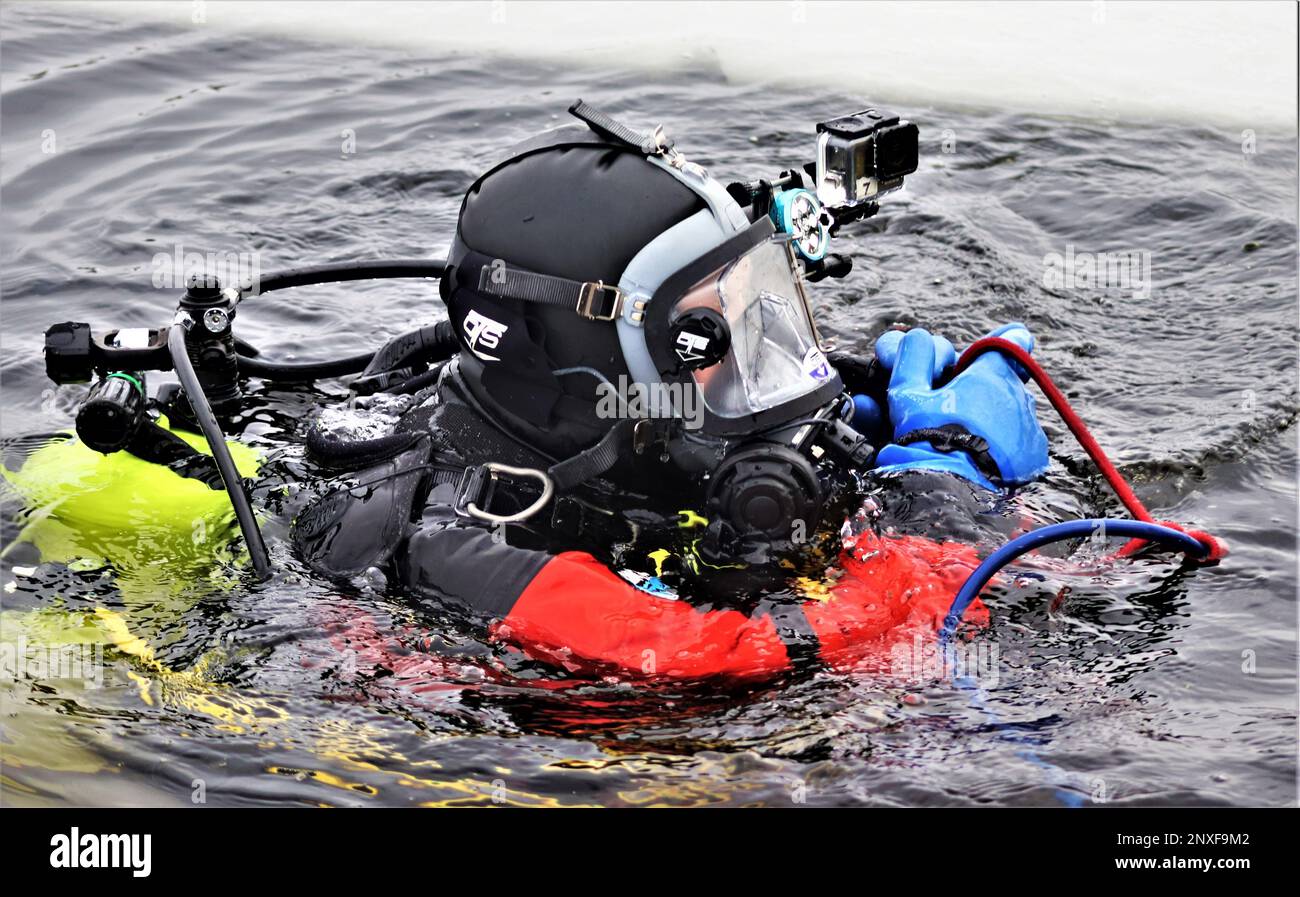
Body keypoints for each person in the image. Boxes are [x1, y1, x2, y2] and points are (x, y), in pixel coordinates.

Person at [291, 112, 1051, 681]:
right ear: (591, 376)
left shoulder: (622, 438)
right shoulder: (459, 545)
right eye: (706, 339)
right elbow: (738, 657)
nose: (768, 368)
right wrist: (949, 486)